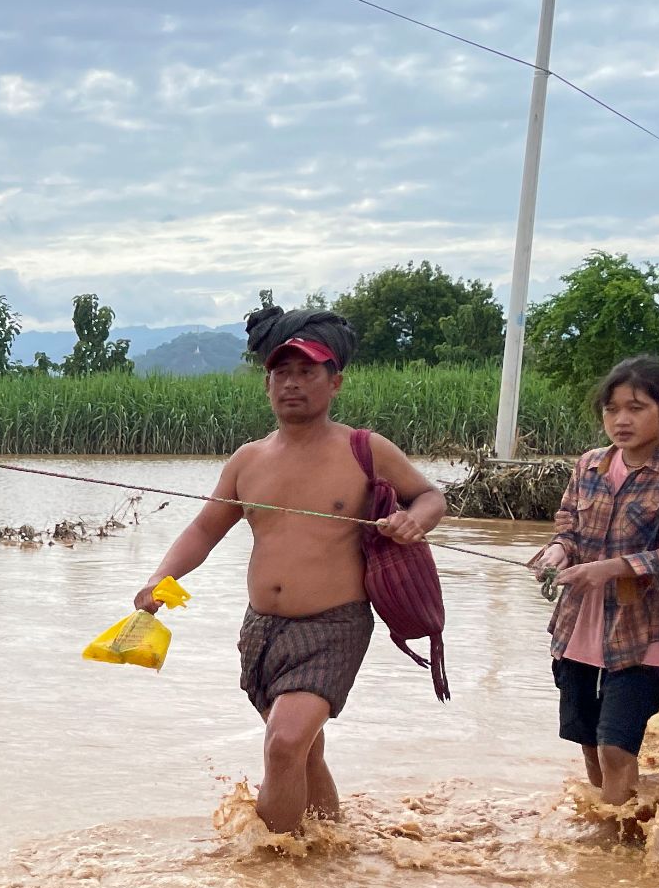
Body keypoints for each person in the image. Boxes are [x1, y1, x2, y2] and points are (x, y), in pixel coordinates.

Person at [131, 306, 446, 834]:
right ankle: (329, 846)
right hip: (262, 630)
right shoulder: (248, 461)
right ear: (267, 384)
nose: (292, 384)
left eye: (308, 372)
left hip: (334, 626)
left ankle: (273, 871)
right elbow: (205, 530)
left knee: (283, 745)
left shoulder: (364, 449)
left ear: (335, 382)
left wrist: (415, 522)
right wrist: (158, 579)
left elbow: (431, 496)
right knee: (303, 753)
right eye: (282, 373)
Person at [530, 357, 659, 806]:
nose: (622, 420)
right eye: (612, 409)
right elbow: (568, 527)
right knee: (589, 742)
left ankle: (614, 848)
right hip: (578, 627)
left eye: (636, 408)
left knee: (617, 744)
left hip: (643, 632)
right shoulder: (589, 464)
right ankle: (610, 838)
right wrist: (557, 551)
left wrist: (618, 568)